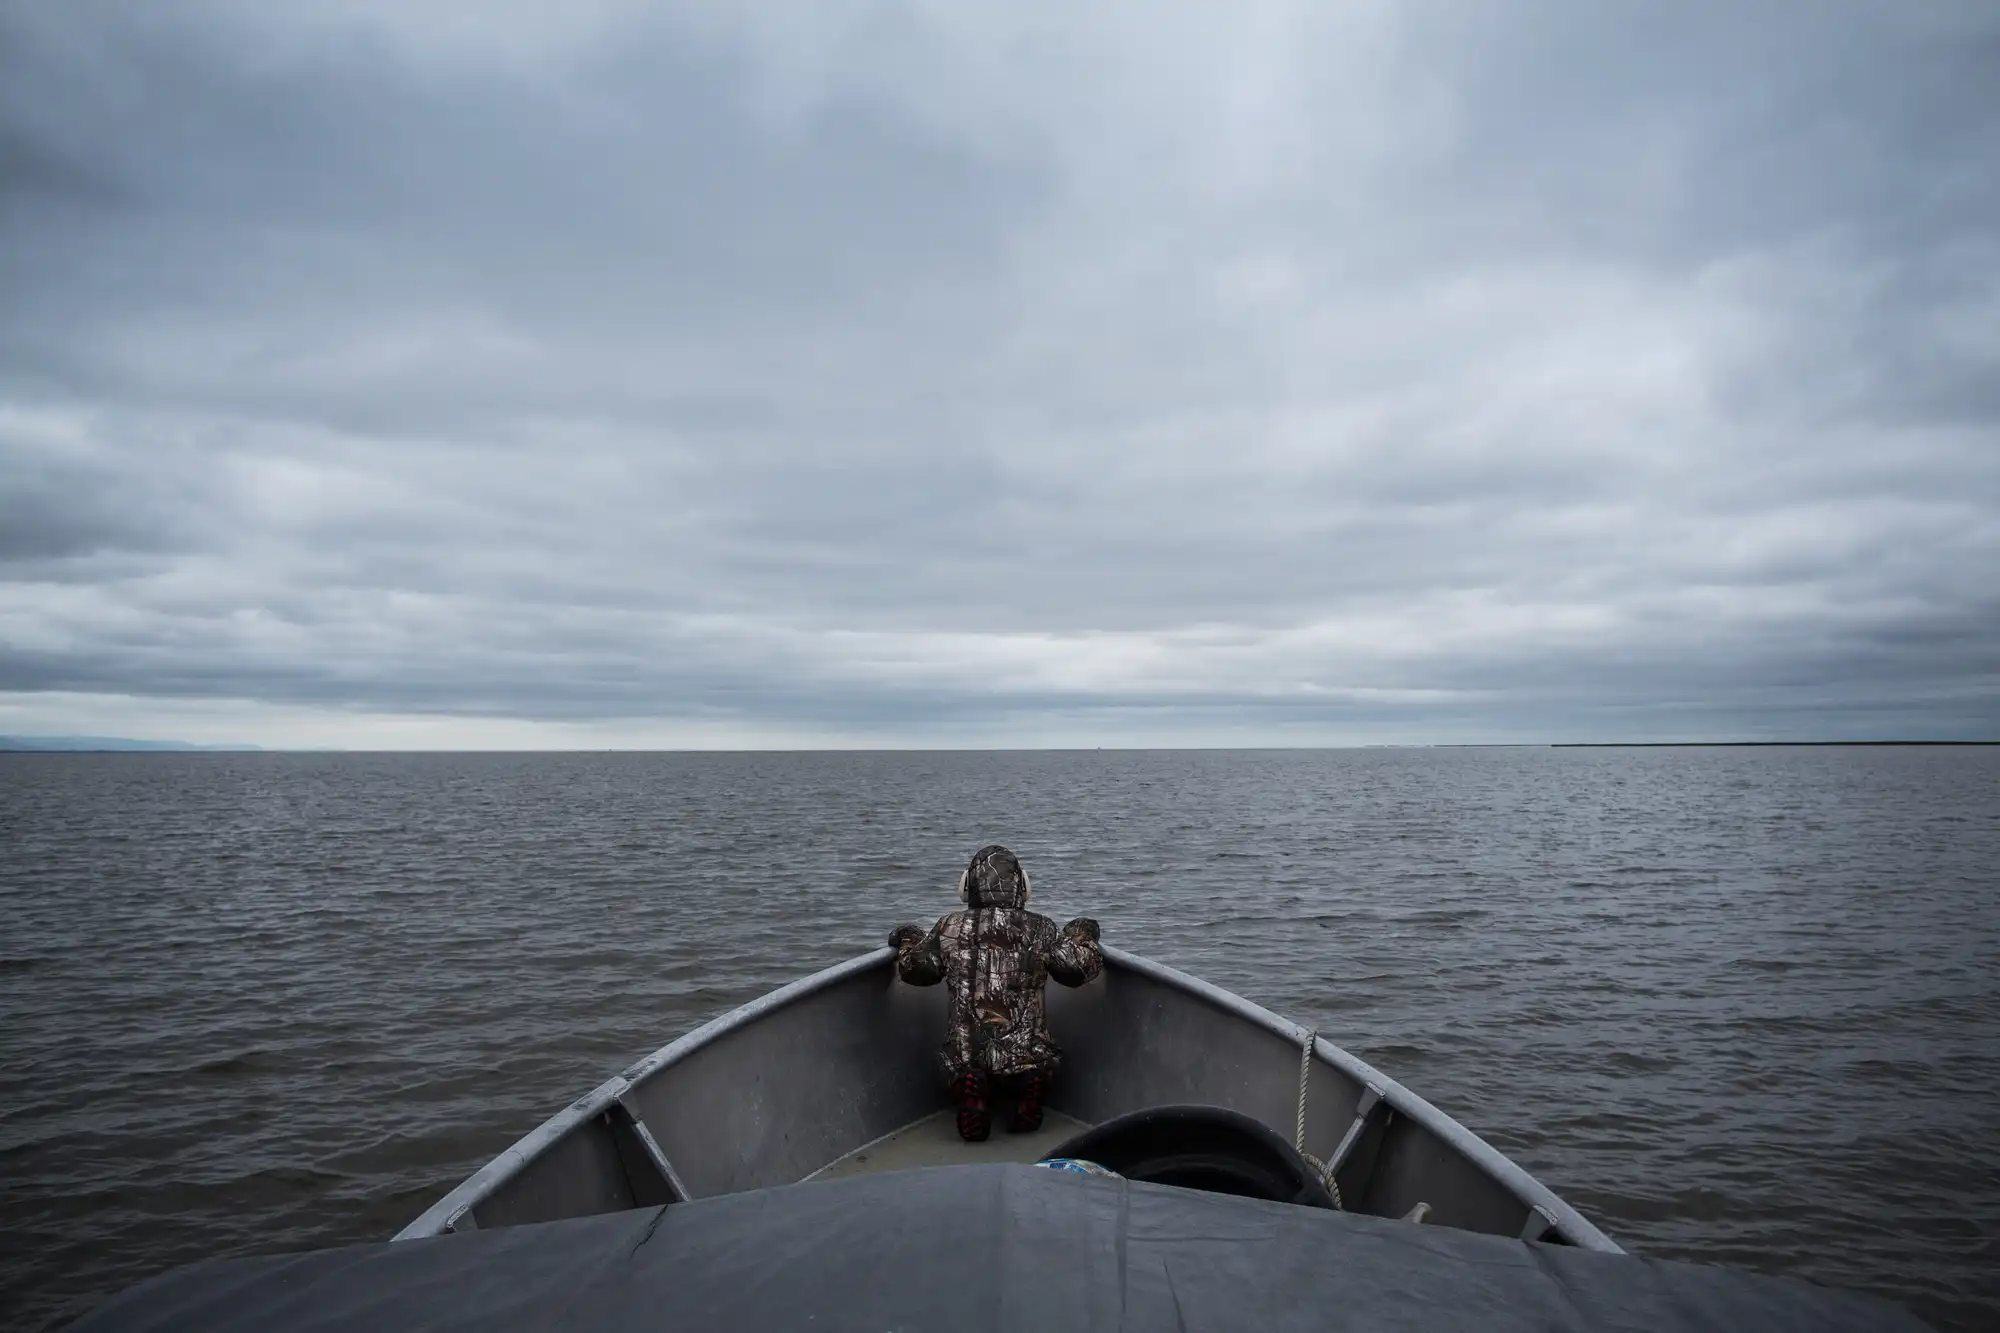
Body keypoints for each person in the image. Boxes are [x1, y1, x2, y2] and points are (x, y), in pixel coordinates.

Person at [889, 844, 1103, 1141]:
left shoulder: (950, 926)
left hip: (967, 1057)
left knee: (959, 1062)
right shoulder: (1041, 928)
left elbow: (915, 972)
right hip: (1026, 1055)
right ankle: (1031, 1081)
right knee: (1038, 1059)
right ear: (1023, 888)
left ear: (967, 888)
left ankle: (970, 1088)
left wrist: (909, 938)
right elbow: (1077, 971)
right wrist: (1083, 933)